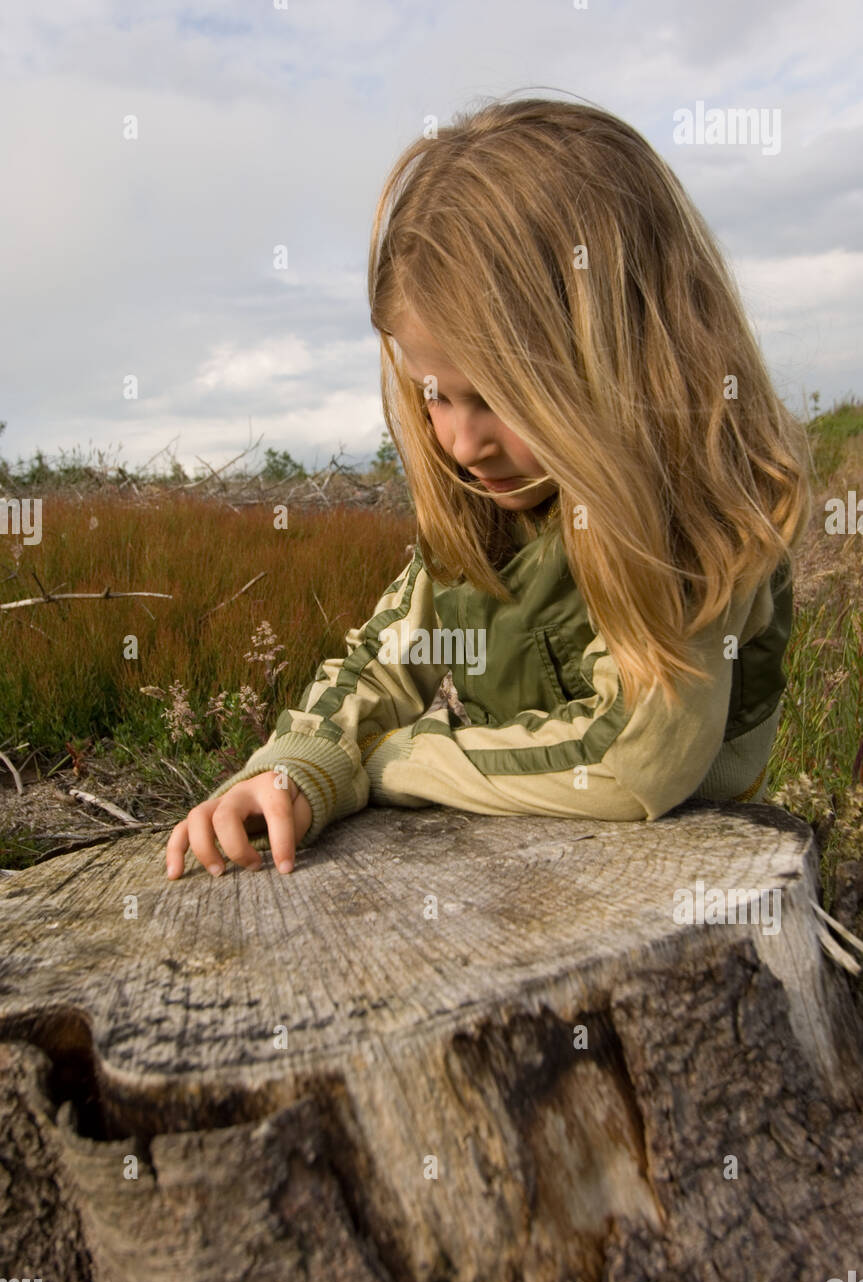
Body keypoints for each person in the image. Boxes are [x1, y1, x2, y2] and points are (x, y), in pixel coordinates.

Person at [165, 96, 811, 881]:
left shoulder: (694, 522)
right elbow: (383, 664)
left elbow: (631, 762)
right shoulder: (487, 507)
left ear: (627, 357)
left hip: (671, 877)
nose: (461, 443)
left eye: (499, 396)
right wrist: (295, 767)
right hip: (501, 864)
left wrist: (388, 761)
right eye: (433, 393)